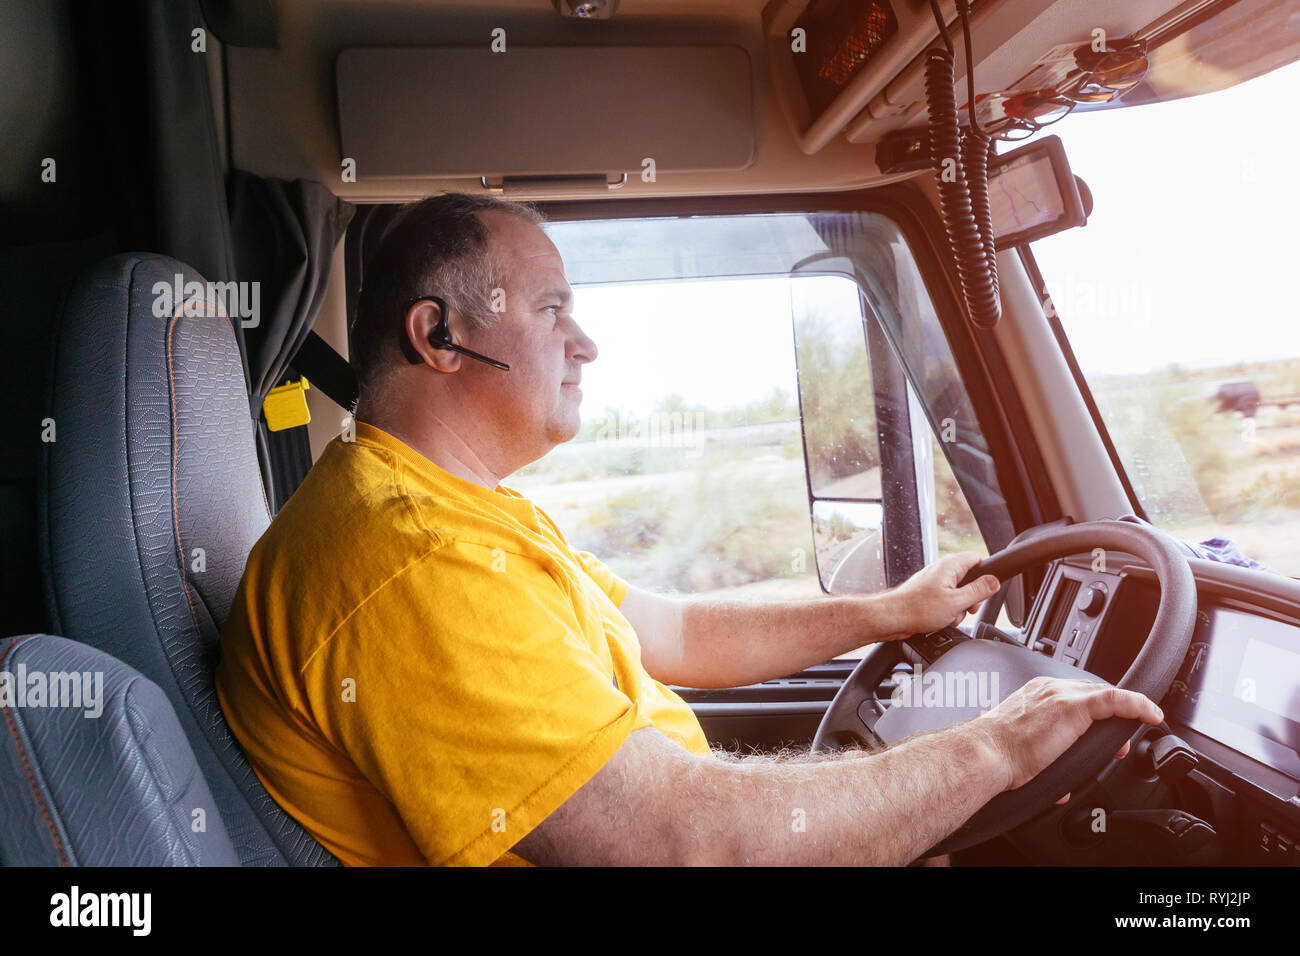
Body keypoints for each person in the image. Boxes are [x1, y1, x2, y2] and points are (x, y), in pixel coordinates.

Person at [215, 192, 1162, 866]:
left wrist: (889, 611)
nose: (585, 344)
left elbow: (673, 635)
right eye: (553, 311)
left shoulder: (452, 509)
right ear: (438, 336)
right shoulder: (412, 562)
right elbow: (686, 843)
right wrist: (990, 750)